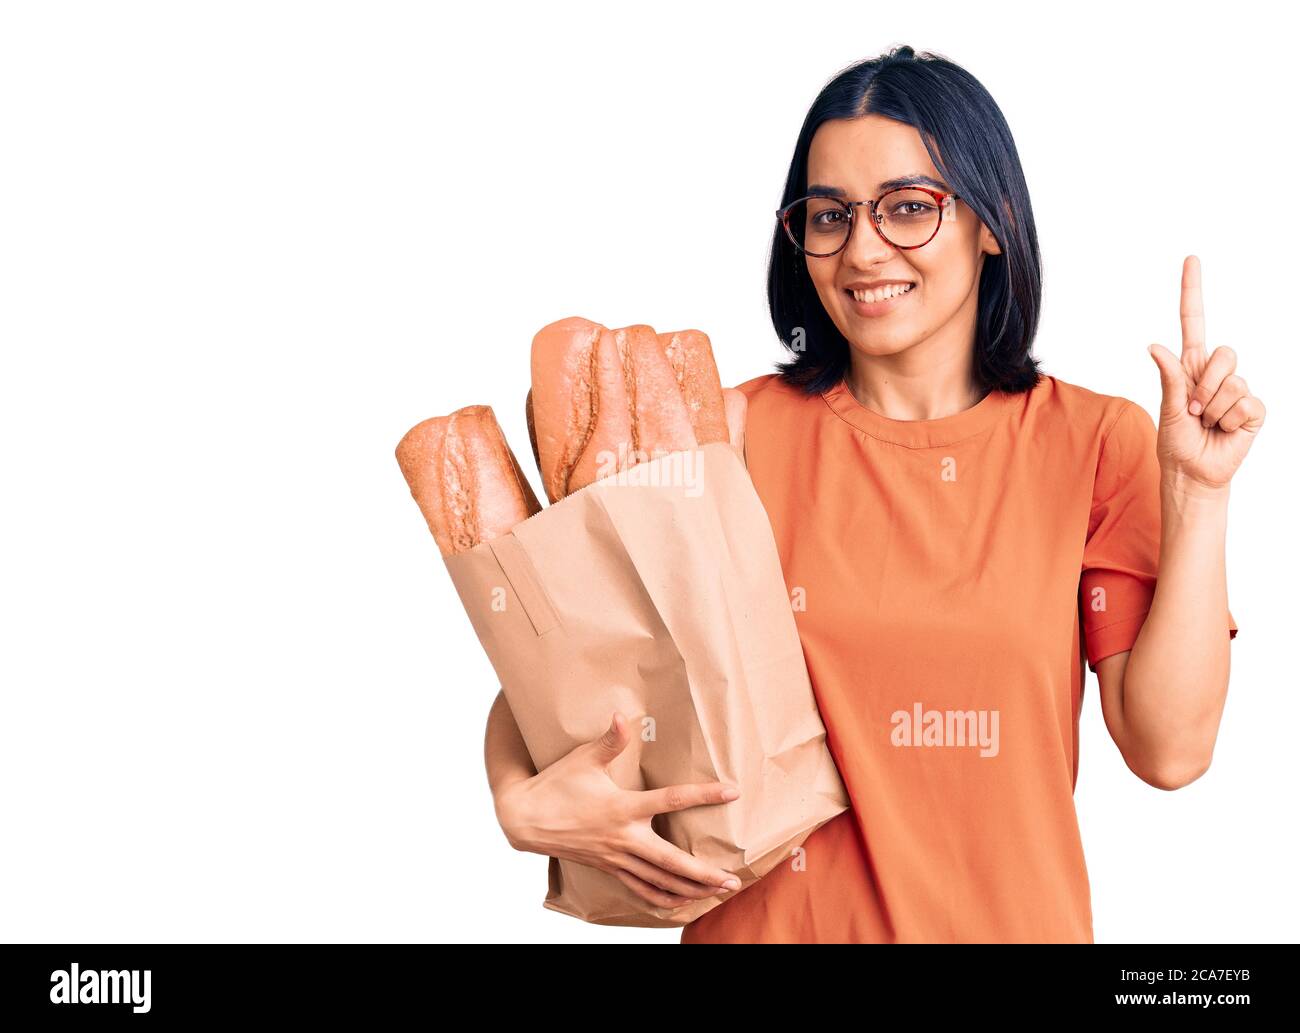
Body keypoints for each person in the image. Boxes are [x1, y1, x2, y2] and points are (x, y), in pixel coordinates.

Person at [483, 45, 1262, 943]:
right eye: (829, 214)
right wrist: (517, 799)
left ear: (994, 219)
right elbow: (571, 664)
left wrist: (1198, 496)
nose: (860, 250)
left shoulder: (1097, 444)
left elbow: (1169, 748)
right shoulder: (725, 434)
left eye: (906, 208)